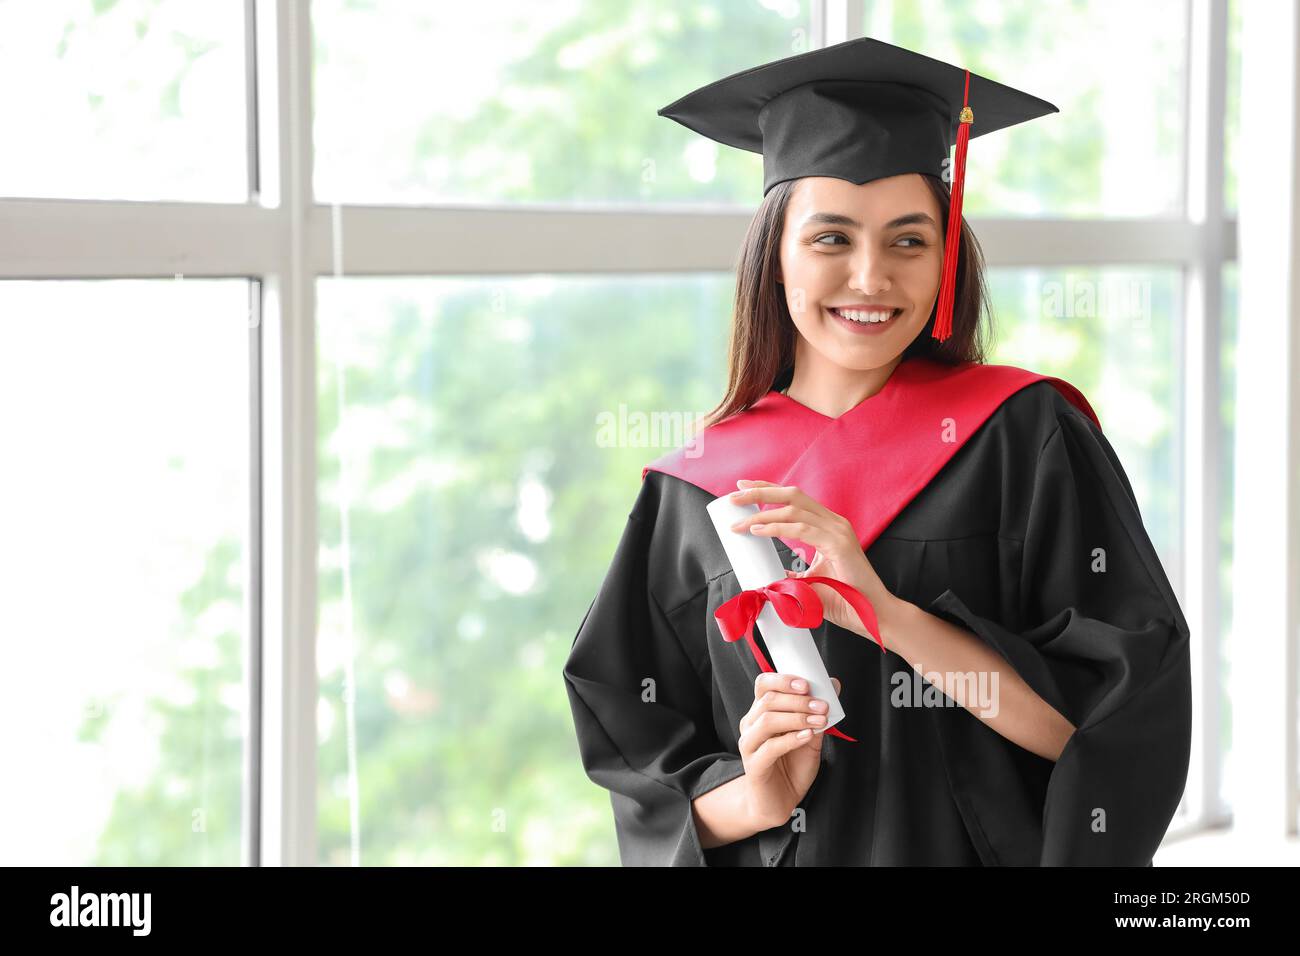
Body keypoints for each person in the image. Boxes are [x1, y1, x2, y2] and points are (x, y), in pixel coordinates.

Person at [561, 35, 1192, 866]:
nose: (871, 277)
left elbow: (1108, 731)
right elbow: (640, 771)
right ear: (773, 255)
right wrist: (757, 793)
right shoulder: (691, 494)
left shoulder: (1026, 436)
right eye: (830, 239)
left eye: (908, 240)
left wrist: (886, 615)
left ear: (945, 260)